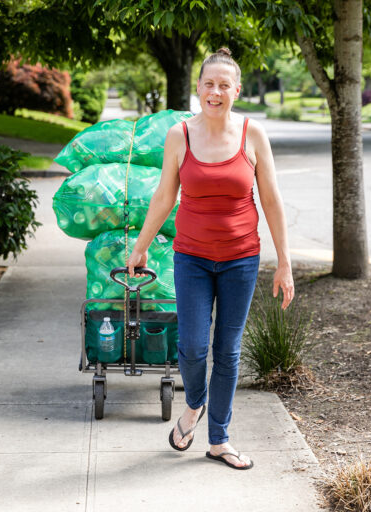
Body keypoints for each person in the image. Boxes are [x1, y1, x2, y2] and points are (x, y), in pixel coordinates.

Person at [126, 48, 294, 470]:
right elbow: (165, 196)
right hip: (192, 258)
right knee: (192, 347)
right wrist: (141, 245)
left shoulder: (253, 134)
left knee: (228, 351)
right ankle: (195, 404)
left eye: (224, 85)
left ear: (237, 90)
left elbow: (271, 200)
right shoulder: (179, 135)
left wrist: (284, 262)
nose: (215, 92)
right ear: (198, 88)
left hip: (241, 259)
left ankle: (219, 440)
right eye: (208, 84)